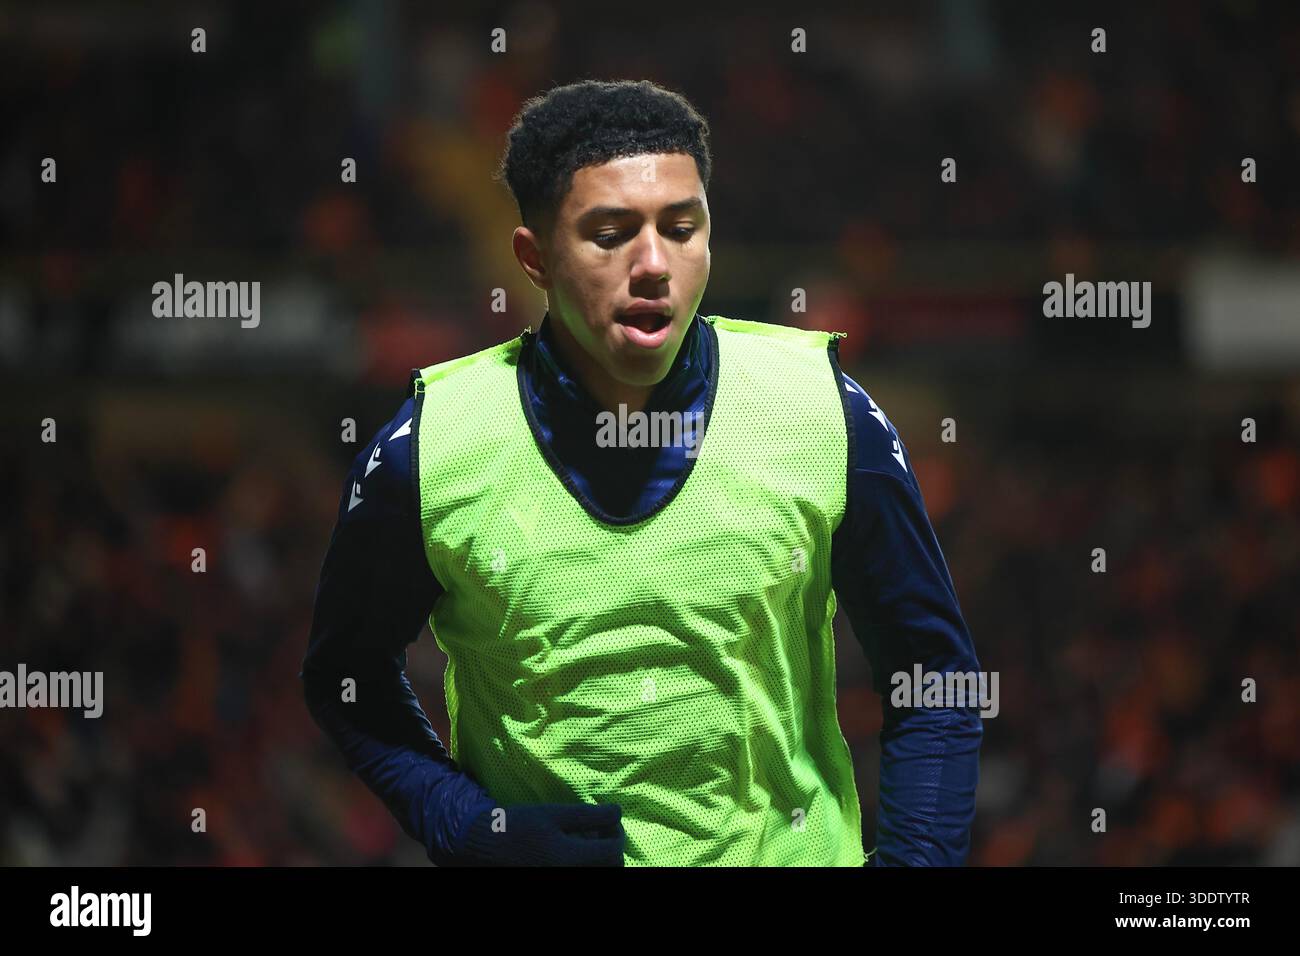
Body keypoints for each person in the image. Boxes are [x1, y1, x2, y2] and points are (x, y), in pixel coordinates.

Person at [301, 78, 982, 866]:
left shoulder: (823, 412)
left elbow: (935, 677)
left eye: (682, 228)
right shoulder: (431, 447)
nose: (654, 264)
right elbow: (344, 677)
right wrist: (462, 821)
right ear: (535, 258)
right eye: (610, 233)